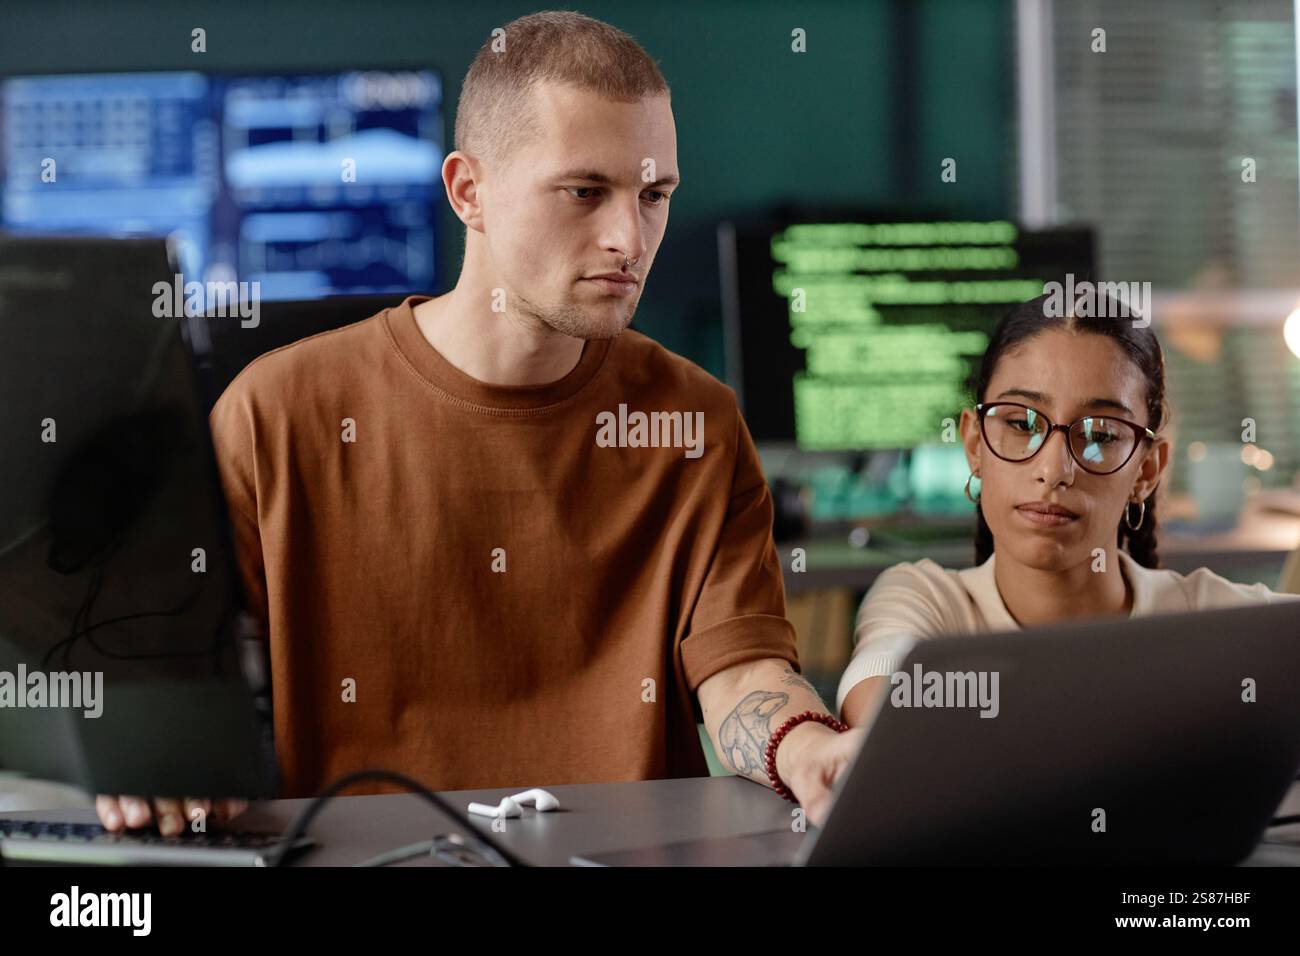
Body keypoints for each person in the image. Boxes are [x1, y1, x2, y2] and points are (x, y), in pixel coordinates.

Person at [96, 10, 862, 836]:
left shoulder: (696, 423)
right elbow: (151, 659)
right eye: (584, 191)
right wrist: (141, 750)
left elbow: (743, 671)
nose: (628, 237)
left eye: (654, 195)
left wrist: (802, 744)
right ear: (470, 192)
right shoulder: (274, 413)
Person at [837, 292, 1298, 729]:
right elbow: (882, 700)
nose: (1054, 469)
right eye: (1020, 423)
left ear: (1147, 470)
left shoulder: (1210, 619)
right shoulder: (927, 600)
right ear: (975, 444)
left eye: (1099, 435)